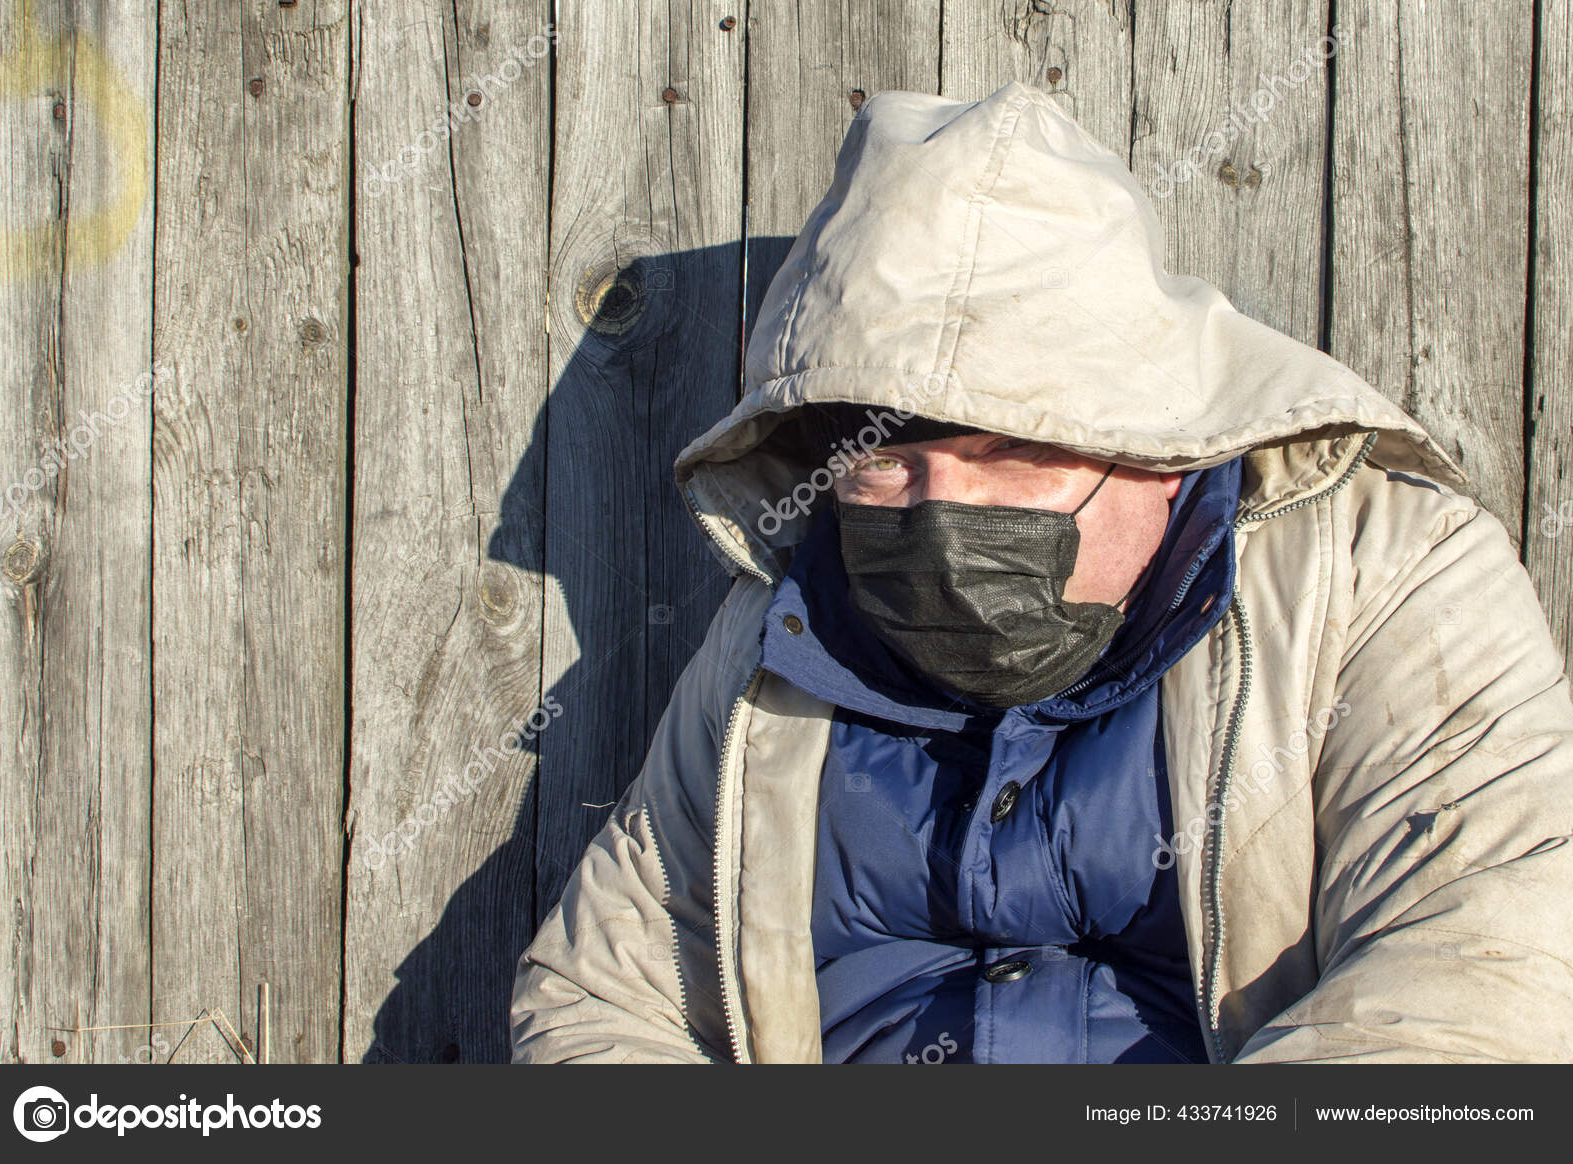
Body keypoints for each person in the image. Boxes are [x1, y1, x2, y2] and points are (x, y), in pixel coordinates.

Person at [508, 80, 1573, 1062]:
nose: (943, 518)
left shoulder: (1378, 581)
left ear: (1159, 443)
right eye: (884, 458)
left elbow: (1485, 979)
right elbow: (603, 994)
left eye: (1014, 449)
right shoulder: (784, 634)